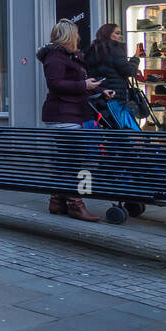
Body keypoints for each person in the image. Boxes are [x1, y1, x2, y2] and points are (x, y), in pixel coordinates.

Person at [37, 19, 114, 222]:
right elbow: (55, 84)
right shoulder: (56, 57)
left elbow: (82, 82)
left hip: (71, 114)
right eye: (76, 34)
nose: (79, 37)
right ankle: (76, 204)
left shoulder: (68, 57)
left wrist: (100, 89)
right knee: (76, 160)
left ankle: (57, 200)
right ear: (70, 36)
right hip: (64, 115)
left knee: (67, 160)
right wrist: (84, 86)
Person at [86, 23, 141, 130]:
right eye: (117, 33)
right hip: (115, 96)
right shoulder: (115, 49)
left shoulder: (91, 51)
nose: (120, 36)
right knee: (121, 129)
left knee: (107, 129)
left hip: (99, 97)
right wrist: (136, 58)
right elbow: (129, 70)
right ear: (108, 35)